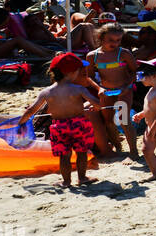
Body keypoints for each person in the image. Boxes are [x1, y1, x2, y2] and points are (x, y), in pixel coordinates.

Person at [17, 53, 100, 188]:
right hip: (79, 124)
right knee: (82, 152)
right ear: (71, 72)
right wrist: (98, 100)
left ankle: (66, 181)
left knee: (64, 156)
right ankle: (82, 178)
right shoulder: (79, 89)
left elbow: (31, 110)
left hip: (59, 126)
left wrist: (21, 122)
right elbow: (97, 104)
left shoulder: (47, 92)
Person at [85, 23, 139, 158]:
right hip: (106, 91)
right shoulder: (93, 56)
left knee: (124, 120)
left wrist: (127, 87)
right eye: (111, 40)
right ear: (100, 37)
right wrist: (99, 88)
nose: (115, 43)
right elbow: (89, 76)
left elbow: (135, 72)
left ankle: (133, 151)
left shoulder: (124, 53)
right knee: (108, 121)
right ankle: (118, 147)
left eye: (118, 40)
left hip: (124, 90)